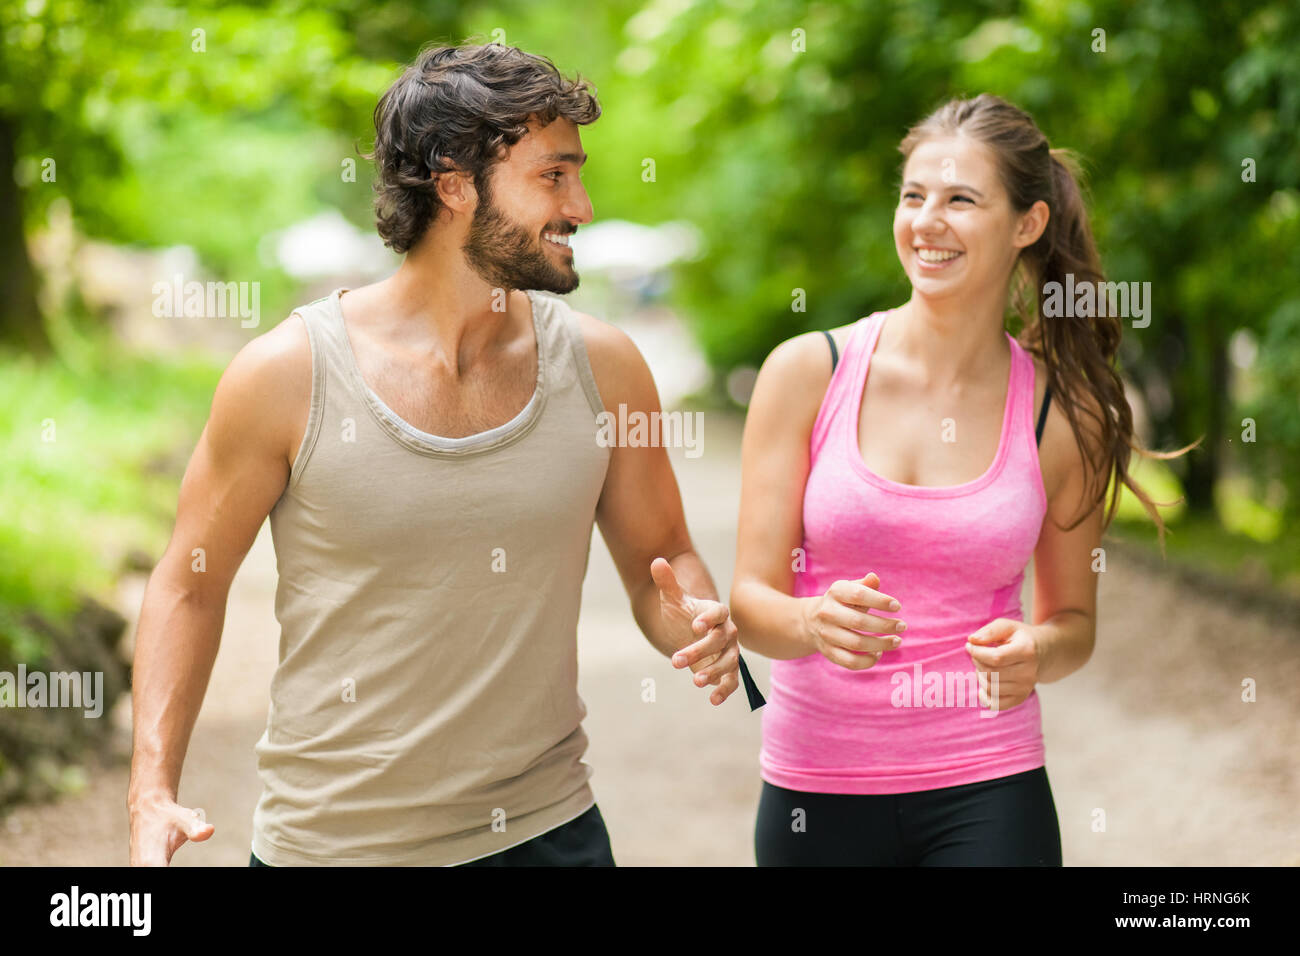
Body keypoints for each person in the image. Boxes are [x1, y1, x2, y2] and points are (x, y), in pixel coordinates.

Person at [127, 42, 757, 868]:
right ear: (455, 182)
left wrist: (697, 623)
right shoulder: (287, 375)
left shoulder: (606, 370)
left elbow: (660, 562)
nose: (584, 205)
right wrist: (151, 790)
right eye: (553, 176)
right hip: (333, 849)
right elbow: (189, 582)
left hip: (549, 834)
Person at [730, 93, 1194, 866]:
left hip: (988, 788)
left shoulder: (1057, 412)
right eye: (913, 196)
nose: (926, 222)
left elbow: (1074, 621)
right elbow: (750, 601)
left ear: (1027, 224)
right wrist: (812, 625)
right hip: (818, 787)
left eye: (960, 200)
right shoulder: (808, 371)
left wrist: (1035, 653)